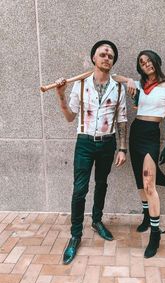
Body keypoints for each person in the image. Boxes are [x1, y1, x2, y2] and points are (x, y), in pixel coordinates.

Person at [55, 40, 128, 264]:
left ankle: (97, 220)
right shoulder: (80, 84)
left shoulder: (118, 87)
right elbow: (70, 117)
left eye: (110, 56)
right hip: (85, 142)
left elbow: (122, 119)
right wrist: (60, 95)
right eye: (103, 54)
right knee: (79, 189)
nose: (107, 58)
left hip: (107, 143)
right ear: (94, 59)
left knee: (102, 183)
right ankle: (75, 235)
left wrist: (122, 147)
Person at [114, 50, 165, 258]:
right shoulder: (139, 86)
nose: (146, 64)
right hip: (136, 132)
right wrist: (130, 80)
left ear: (157, 62)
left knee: (149, 183)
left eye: (149, 60)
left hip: (151, 134)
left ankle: (155, 234)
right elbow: (114, 76)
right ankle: (146, 217)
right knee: (140, 182)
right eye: (142, 62)